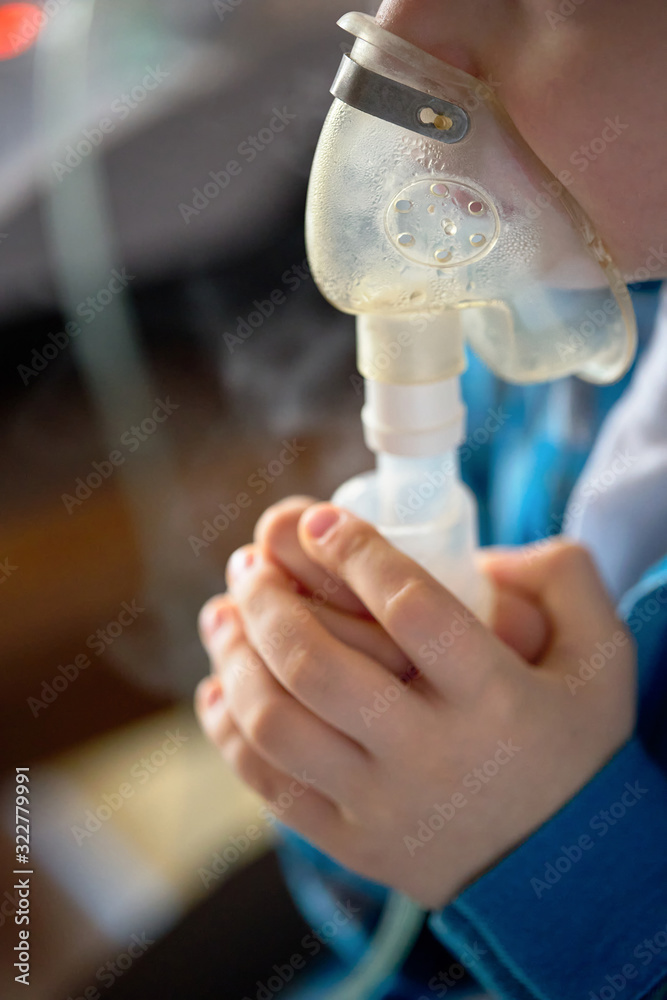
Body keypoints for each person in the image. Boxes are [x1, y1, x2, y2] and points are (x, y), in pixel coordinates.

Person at [195, 1, 667, 996]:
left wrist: (540, 846)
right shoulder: (564, 325)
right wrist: (356, 771)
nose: (394, 46)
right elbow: (408, 930)